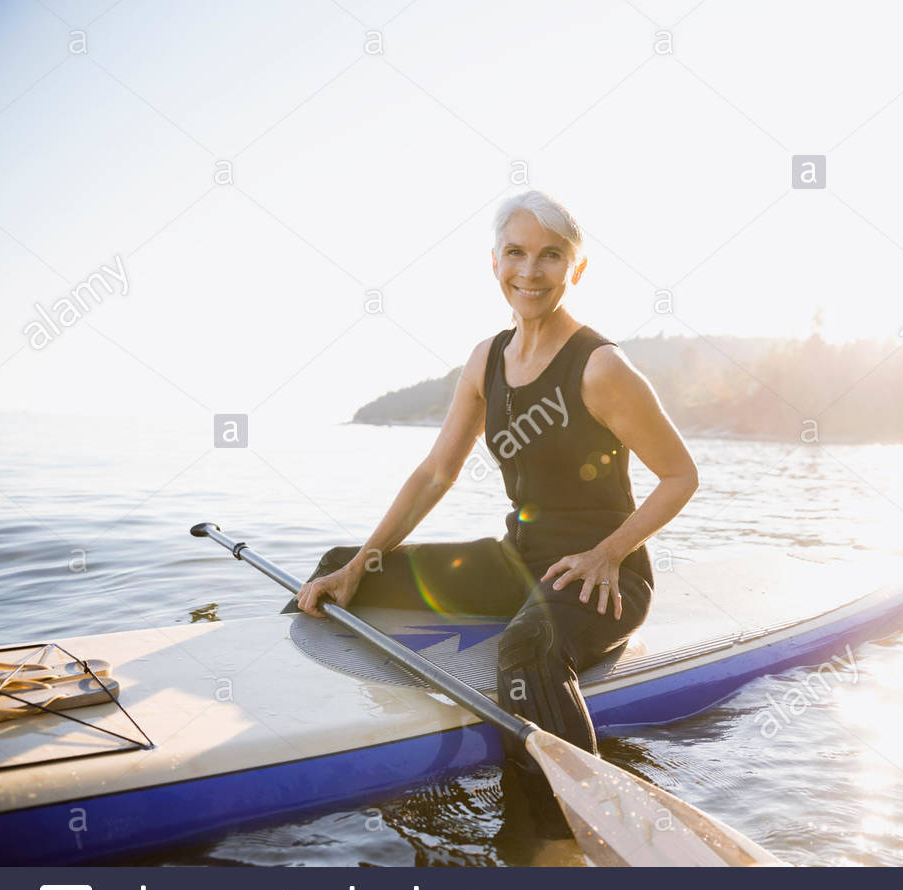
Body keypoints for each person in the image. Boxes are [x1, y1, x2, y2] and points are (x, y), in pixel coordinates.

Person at [285, 189, 699, 837]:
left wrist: (610, 551)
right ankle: (299, 731)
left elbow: (680, 475)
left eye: (551, 256)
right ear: (495, 262)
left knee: (528, 646)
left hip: (600, 576)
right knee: (346, 567)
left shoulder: (600, 367)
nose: (530, 272)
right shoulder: (486, 361)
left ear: (576, 269)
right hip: (517, 561)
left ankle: (562, 833)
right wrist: (362, 562)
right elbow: (435, 472)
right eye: (516, 253)